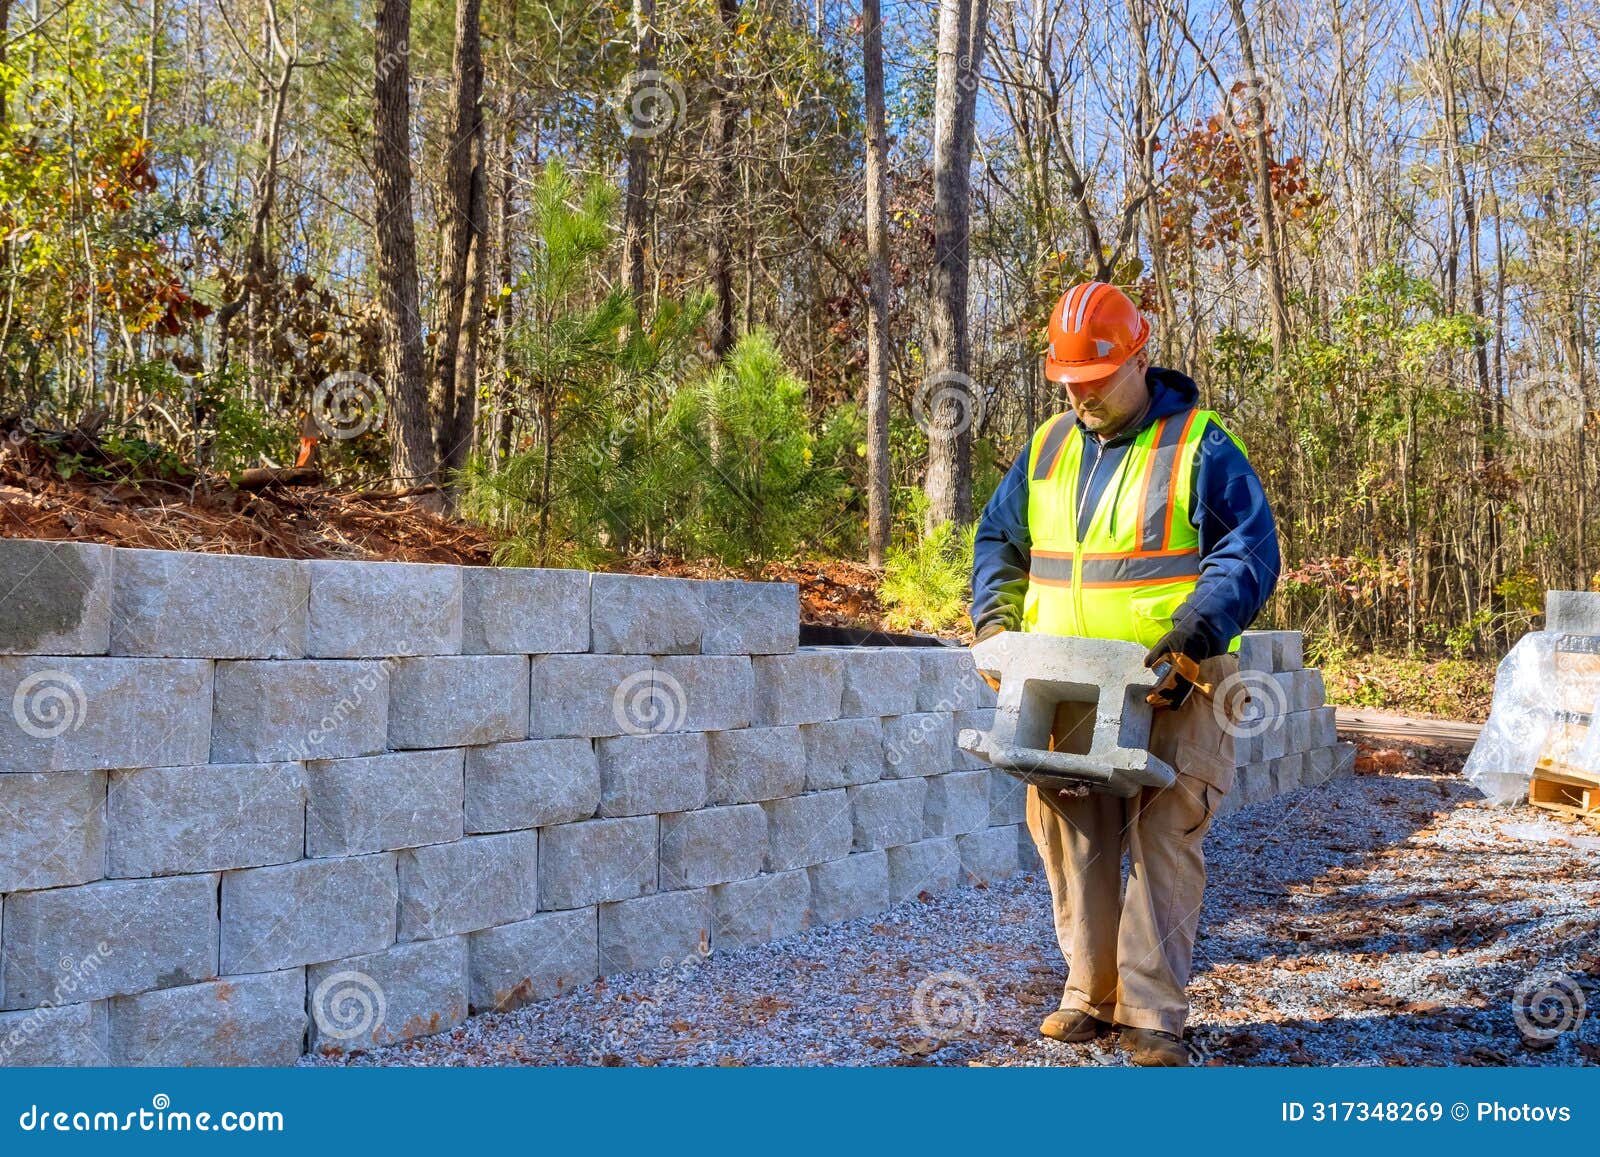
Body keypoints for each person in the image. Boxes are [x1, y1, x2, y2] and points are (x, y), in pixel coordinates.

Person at [969, 281, 1280, 1066]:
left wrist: (1196, 633)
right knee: (1073, 833)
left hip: (1178, 676)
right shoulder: (1045, 447)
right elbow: (998, 543)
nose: (1080, 396)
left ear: (1139, 356)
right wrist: (997, 628)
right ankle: (1090, 991)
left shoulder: (1200, 445)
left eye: (1095, 381)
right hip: (1066, 679)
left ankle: (1150, 1011)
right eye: (1067, 383)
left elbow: (1247, 550)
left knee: (1166, 833)